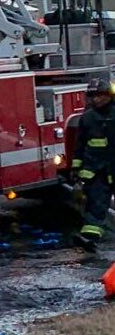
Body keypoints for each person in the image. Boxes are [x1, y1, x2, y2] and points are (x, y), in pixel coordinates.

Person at [73, 78, 115, 250]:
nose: (96, 99)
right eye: (93, 96)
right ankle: (89, 239)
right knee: (96, 206)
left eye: (100, 96)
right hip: (96, 172)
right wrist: (76, 170)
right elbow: (80, 145)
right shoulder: (87, 118)